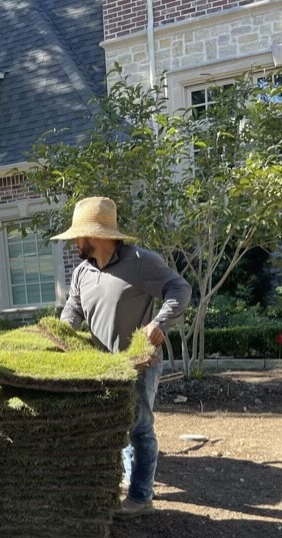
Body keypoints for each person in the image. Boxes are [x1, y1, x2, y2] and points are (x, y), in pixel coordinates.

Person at [54, 196, 192, 519]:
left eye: (79, 235)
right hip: (104, 367)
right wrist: (57, 339)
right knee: (115, 425)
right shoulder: (81, 273)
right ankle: (127, 480)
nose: (75, 242)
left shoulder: (140, 262)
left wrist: (160, 322)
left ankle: (142, 496)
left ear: (97, 236)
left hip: (139, 363)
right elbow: (70, 315)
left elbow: (180, 289)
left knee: (139, 428)